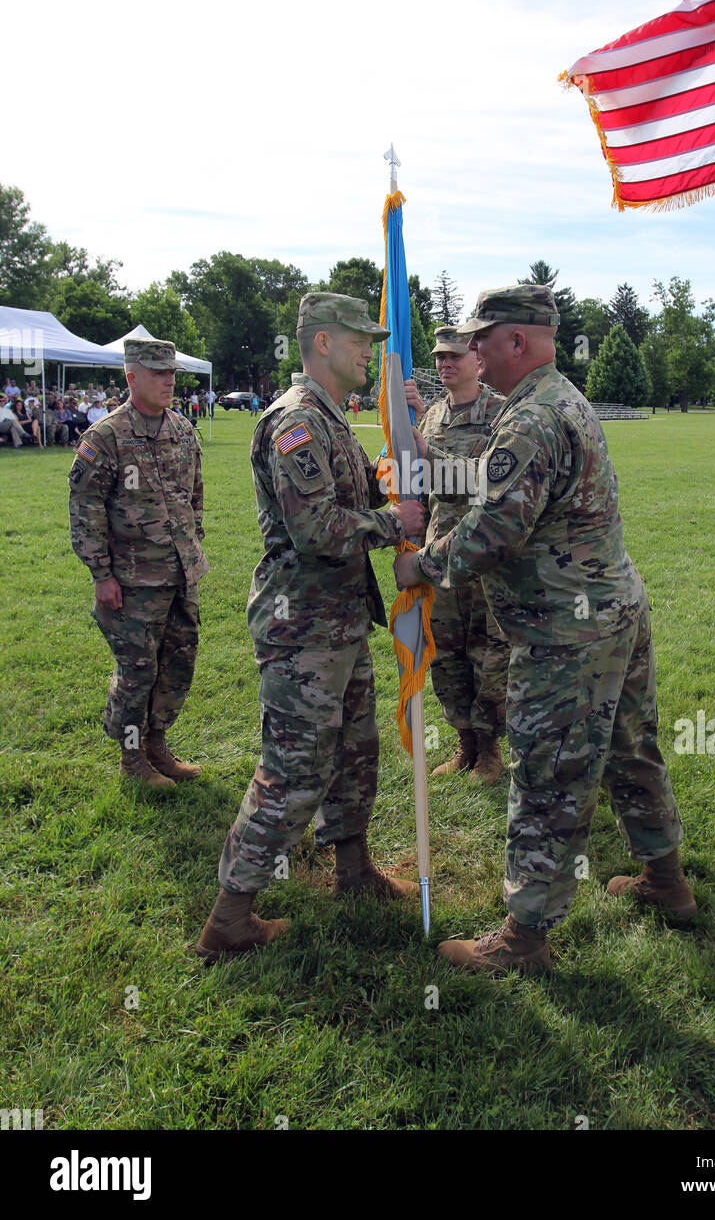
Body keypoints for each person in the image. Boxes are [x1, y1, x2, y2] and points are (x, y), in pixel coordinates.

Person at [396, 285, 695, 974]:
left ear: (516, 343)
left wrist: (424, 563)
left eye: (481, 339)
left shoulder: (531, 418)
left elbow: (496, 530)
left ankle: (524, 938)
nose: (469, 351)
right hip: (615, 612)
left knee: (548, 777)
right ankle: (666, 881)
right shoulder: (563, 400)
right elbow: (502, 491)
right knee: (630, 749)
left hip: (567, 633)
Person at [195, 292, 425, 963]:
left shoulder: (331, 421)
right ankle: (229, 918)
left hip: (340, 618)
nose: (371, 351)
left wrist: (407, 460)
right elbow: (317, 529)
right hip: (303, 629)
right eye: (360, 339)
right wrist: (395, 524)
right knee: (292, 770)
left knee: (356, 750)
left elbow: (355, 500)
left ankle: (352, 870)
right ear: (322, 342)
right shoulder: (295, 424)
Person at [68, 338, 208, 790]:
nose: (169, 381)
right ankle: (131, 760)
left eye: (171, 373)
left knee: (175, 664)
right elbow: (85, 510)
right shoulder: (105, 437)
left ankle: (157, 745)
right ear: (132, 377)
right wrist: (101, 574)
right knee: (136, 672)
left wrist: (192, 545)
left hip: (180, 575)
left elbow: (195, 496)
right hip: (130, 583)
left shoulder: (182, 430)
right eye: (157, 373)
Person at [413, 327, 508, 783]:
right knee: (445, 650)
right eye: (438, 357)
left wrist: (428, 455)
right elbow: (421, 480)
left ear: (476, 359)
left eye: (454, 355)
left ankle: (490, 750)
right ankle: (463, 742)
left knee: (489, 653)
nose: (444, 363)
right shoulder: (431, 416)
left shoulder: (500, 415)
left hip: (485, 555)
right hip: (439, 554)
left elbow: (486, 483)